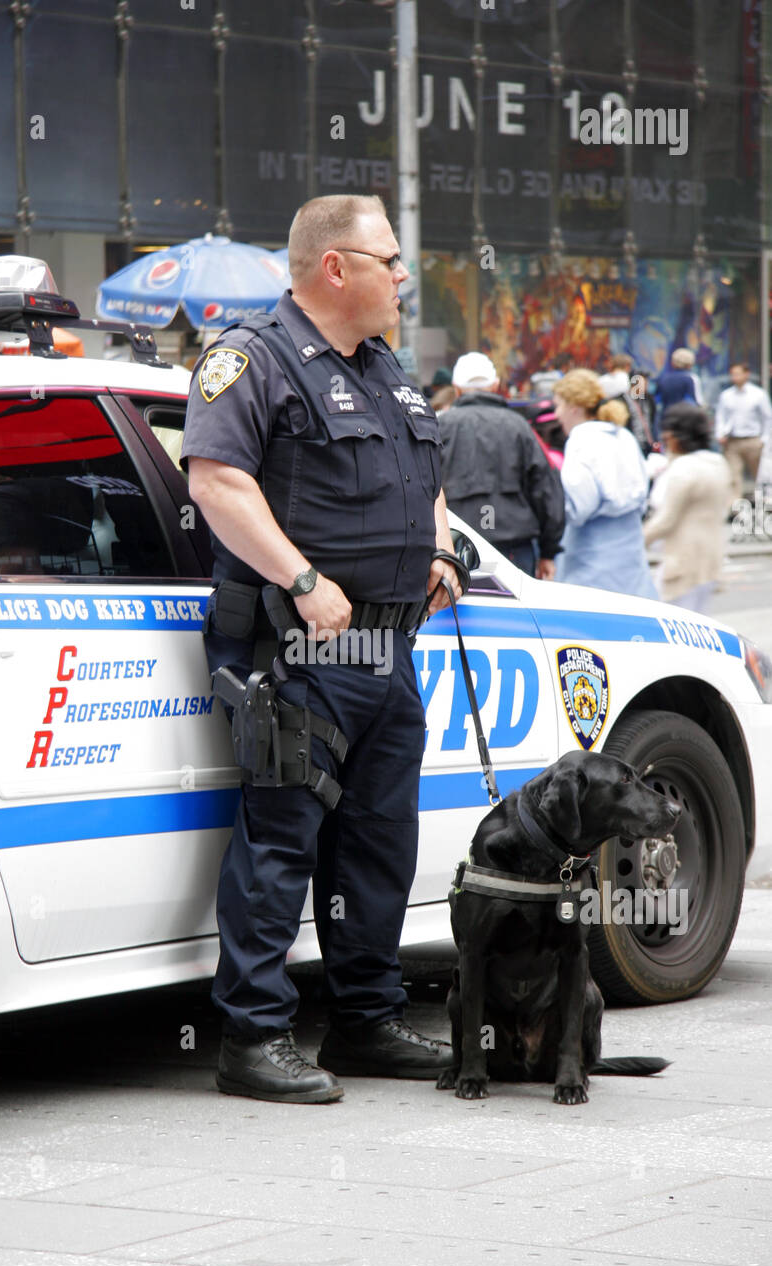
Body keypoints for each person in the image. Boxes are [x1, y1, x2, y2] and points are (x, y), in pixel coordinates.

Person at [182, 194, 460, 1104]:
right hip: (297, 649)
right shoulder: (252, 359)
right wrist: (302, 580)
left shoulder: (388, 369)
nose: (404, 276)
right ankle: (253, 1038)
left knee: (378, 842)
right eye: (390, 259)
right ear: (334, 267)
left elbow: (425, 482)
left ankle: (366, 1019)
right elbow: (218, 480)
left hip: (389, 651)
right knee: (280, 843)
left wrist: (443, 549)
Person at [437, 351, 564, 578]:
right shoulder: (520, 427)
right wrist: (548, 551)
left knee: (457, 612)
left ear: (456, 389)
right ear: (496, 386)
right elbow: (547, 492)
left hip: (455, 547)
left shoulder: (440, 427)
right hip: (515, 549)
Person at [552, 368, 657, 599]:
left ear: (573, 407)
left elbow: (578, 506)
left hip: (591, 562)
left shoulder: (581, 440)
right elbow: (643, 491)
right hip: (631, 560)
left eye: (558, 406)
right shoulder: (623, 436)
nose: (557, 415)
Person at [642, 403, 730, 615]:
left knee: (673, 628)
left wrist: (637, 540)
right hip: (709, 561)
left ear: (677, 436)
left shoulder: (684, 469)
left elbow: (666, 521)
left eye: (667, 435)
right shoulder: (717, 462)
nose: (665, 439)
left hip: (682, 562)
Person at [715, 362, 772, 508]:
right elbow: (720, 416)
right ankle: (735, 506)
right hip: (733, 440)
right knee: (734, 476)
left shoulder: (758, 394)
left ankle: (764, 502)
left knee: (760, 474)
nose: (735, 377)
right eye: (733, 374)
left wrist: (765, 439)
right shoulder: (726, 395)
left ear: (746, 374)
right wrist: (720, 433)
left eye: (738, 373)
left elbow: (767, 417)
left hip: (754, 440)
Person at [655, 347, 703, 414]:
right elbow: (696, 402)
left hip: (666, 417)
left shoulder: (664, 378)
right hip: (684, 418)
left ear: (673, 362)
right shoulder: (691, 378)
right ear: (690, 364)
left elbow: (657, 400)